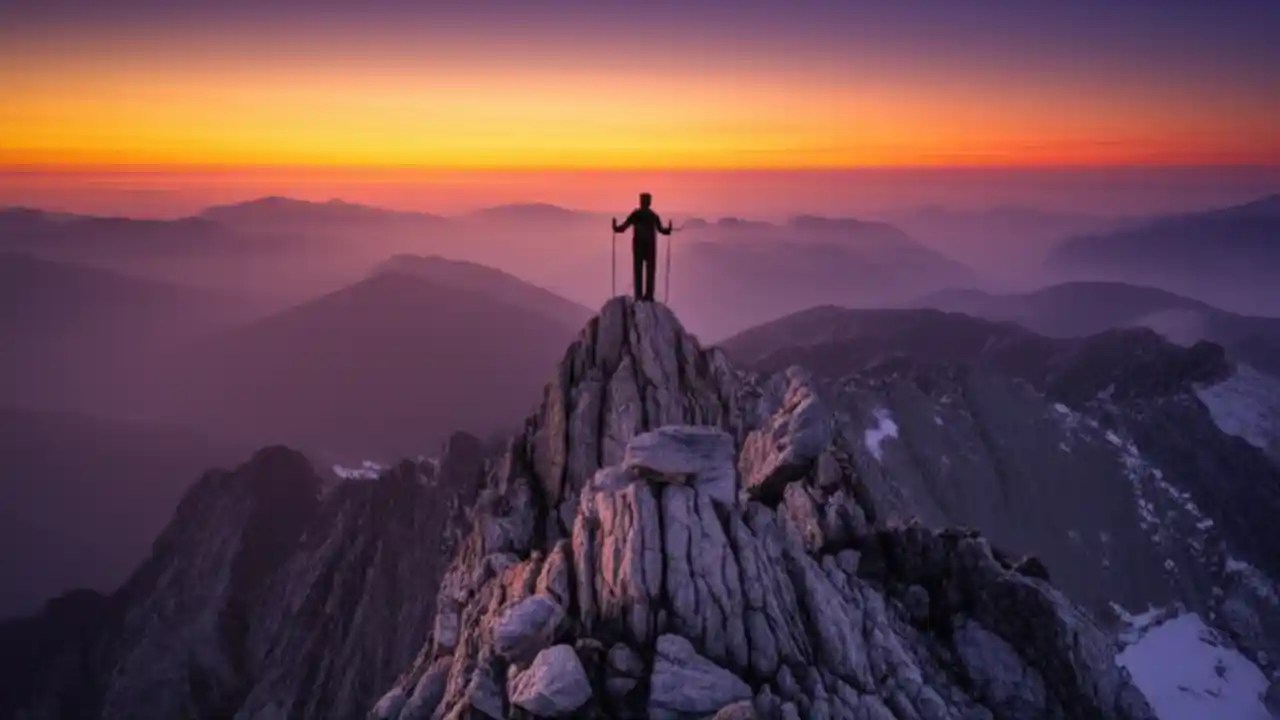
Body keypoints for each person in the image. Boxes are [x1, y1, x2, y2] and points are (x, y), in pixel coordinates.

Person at [612, 192, 672, 302]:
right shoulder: (653, 216)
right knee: (650, 271)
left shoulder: (636, 215)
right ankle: (649, 295)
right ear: (649, 202)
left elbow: (622, 228)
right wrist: (669, 230)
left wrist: (615, 227)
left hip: (638, 247)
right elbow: (662, 230)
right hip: (650, 247)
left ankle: (638, 295)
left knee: (638, 270)